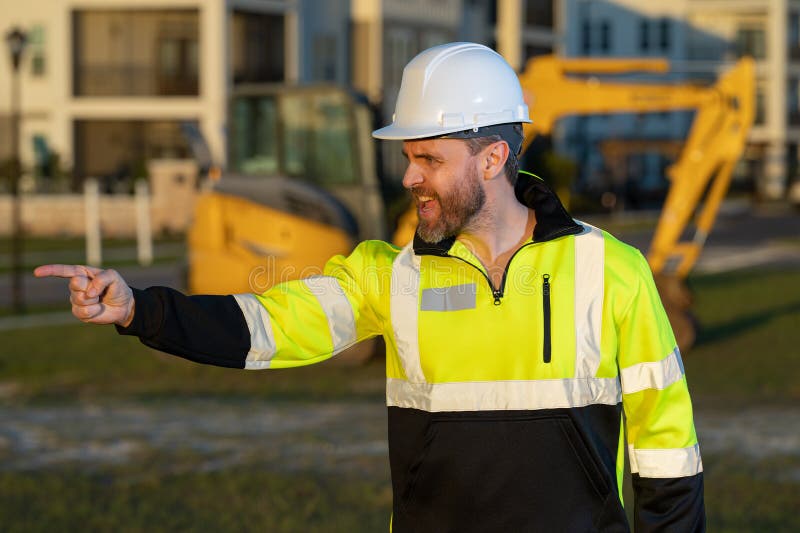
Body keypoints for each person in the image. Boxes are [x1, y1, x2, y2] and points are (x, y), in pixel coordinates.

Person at [36, 42, 705, 532]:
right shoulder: (389, 273)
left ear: (493, 157)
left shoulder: (610, 270)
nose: (410, 177)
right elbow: (264, 325)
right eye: (407, 157)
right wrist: (138, 308)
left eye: (428, 158)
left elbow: (666, 449)